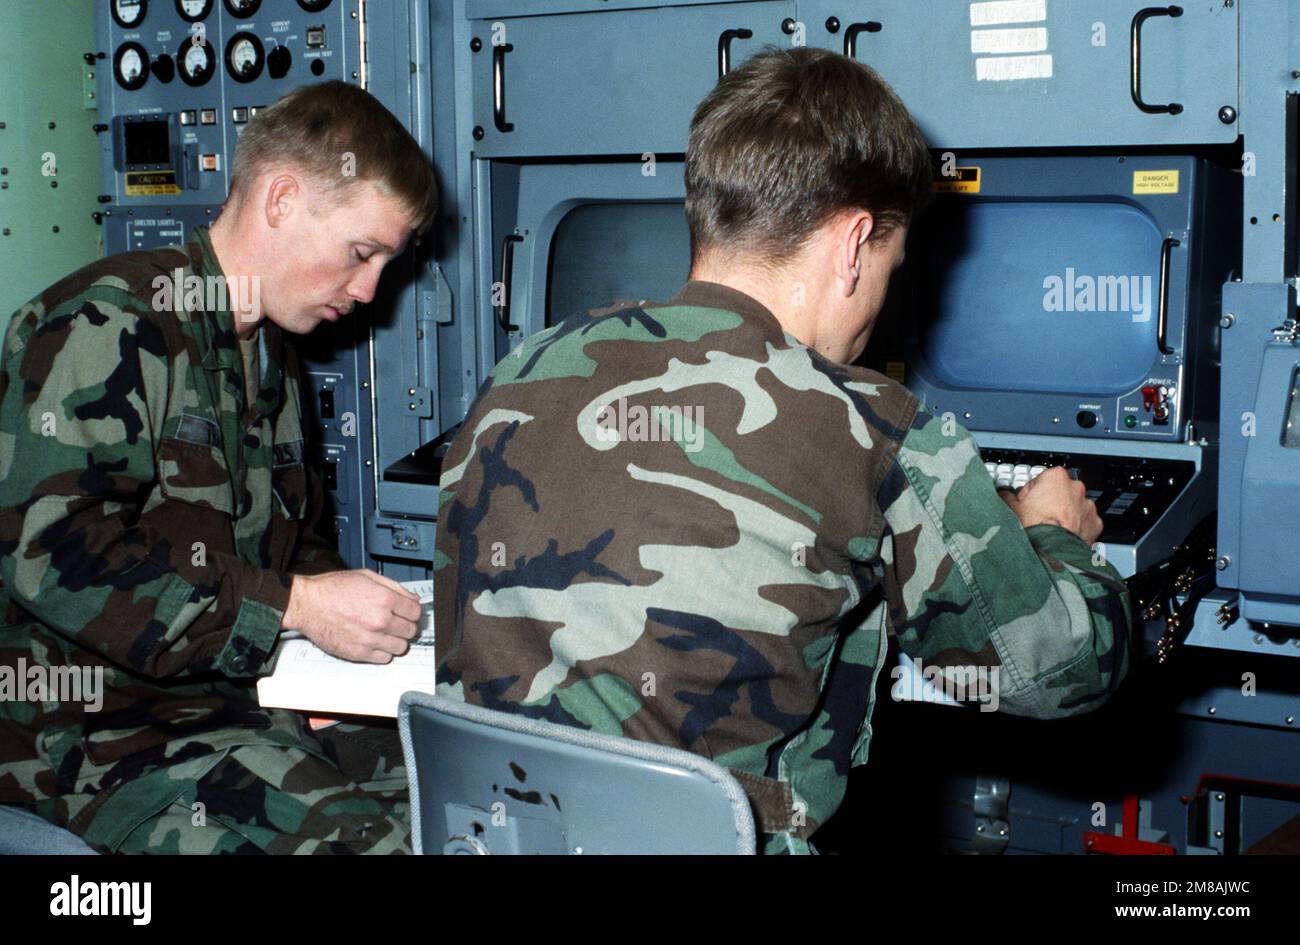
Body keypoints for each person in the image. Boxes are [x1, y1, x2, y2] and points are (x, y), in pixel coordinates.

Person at [431, 47, 1133, 854]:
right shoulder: (875, 426)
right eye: (889, 270)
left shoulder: (525, 369)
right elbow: (1056, 673)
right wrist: (1052, 536)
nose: (878, 309)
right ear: (853, 243)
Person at [0, 80, 436, 854]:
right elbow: (54, 558)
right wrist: (294, 610)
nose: (369, 290)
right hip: (90, 733)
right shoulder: (107, 324)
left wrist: (341, 648)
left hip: (239, 699)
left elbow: (294, 550)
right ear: (281, 200)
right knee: (369, 844)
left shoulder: (273, 357)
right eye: (361, 253)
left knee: (462, 794)